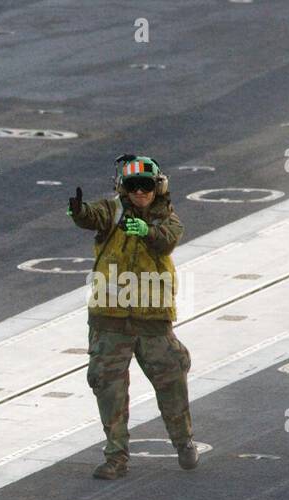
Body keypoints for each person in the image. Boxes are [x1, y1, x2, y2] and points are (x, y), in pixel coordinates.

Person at [67, 154, 198, 479]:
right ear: (123, 188)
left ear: (158, 187)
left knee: (171, 383)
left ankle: (183, 443)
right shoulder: (111, 213)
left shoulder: (170, 219)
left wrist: (146, 231)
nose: (140, 192)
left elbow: (166, 240)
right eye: (133, 186)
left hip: (152, 321)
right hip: (109, 319)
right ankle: (116, 458)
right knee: (109, 388)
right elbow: (92, 216)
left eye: (146, 186)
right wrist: (79, 212)